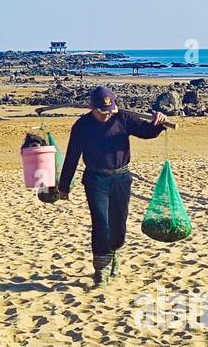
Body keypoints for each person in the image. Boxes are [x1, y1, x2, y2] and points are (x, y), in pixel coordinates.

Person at [56, 86, 168, 286]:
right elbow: (72, 156)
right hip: (95, 179)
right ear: (92, 108)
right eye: (102, 112)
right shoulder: (82, 126)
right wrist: (64, 186)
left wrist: (158, 122)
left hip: (121, 179)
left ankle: (115, 252)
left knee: (119, 223)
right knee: (101, 222)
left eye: (110, 111)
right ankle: (101, 269)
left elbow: (146, 132)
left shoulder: (123, 118)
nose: (106, 115)